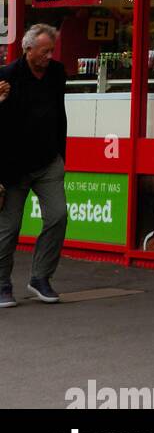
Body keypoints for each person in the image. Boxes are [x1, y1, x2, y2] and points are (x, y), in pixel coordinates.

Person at [0, 24, 69, 307]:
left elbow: (59, 112)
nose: (49, 56)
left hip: (48, 161)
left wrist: (61, 153)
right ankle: (2, 283)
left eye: (52, 50)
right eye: (44, 51)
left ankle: (40, 277)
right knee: (9, 227)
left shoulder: (56, 73)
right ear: (28, 50)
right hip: (14, 166)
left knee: (58, 216)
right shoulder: (7, 76)